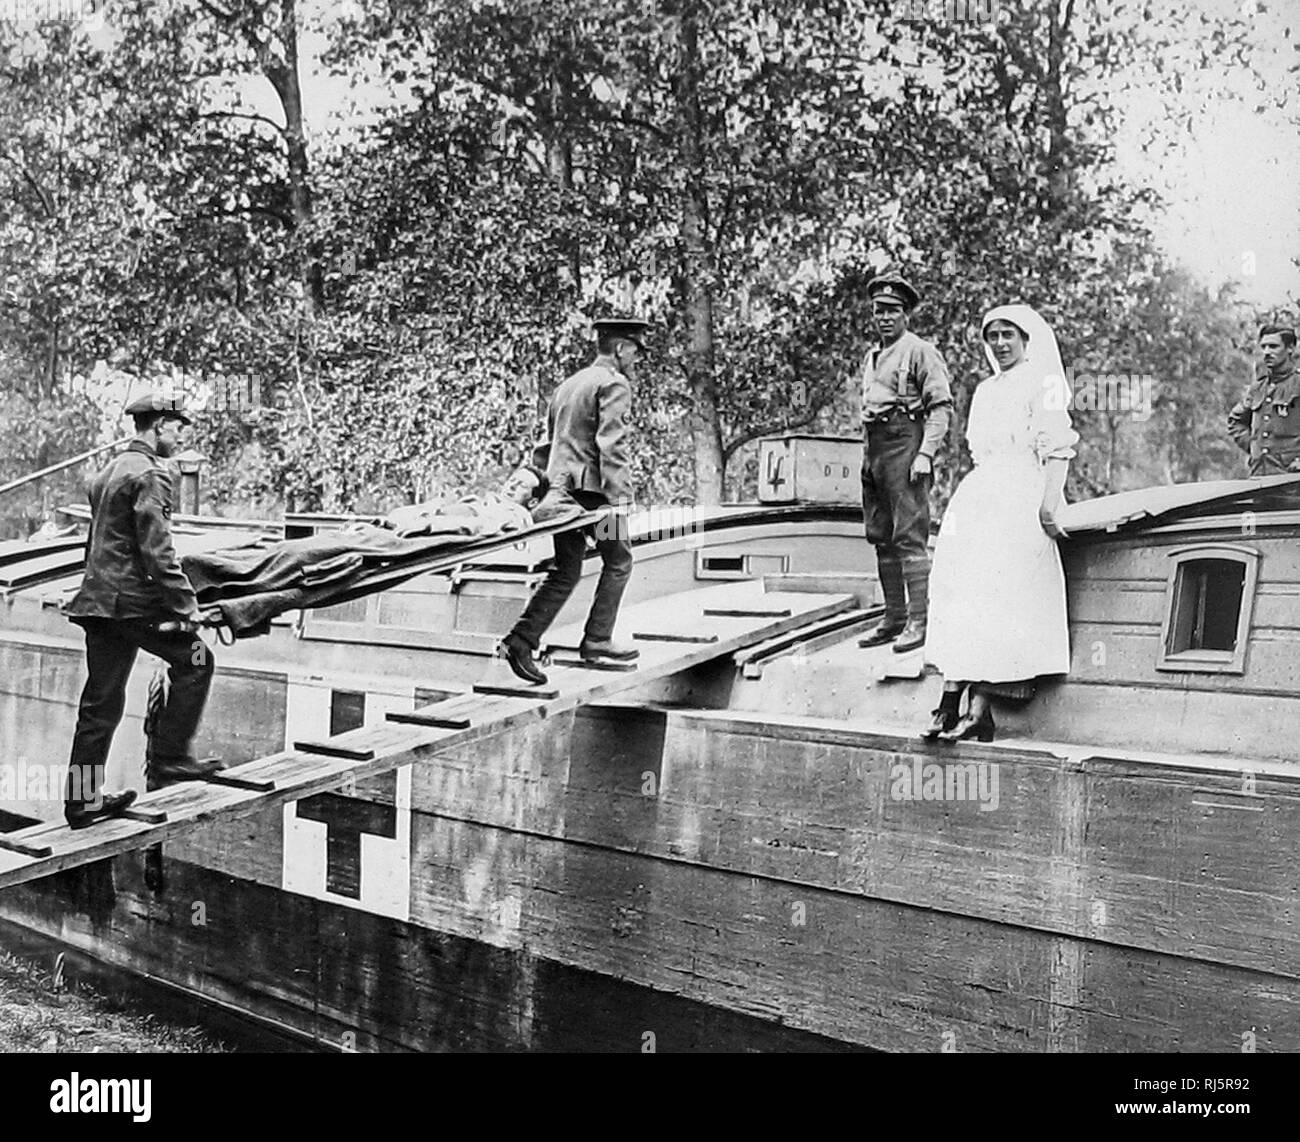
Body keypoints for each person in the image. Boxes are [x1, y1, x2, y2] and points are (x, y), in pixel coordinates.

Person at [63, 390, 222, 829]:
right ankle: (171, 759)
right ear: (159, 426)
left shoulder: (108, 471)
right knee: (197, 659)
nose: (179, 437)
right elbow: (157, 551)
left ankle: (81, 802)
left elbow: (99, 545)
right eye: (177, 428)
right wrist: (186, 606)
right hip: (130, 605)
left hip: (97, 604)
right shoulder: (151, 473)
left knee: (99, 704)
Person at [922, 304, 1077, 743]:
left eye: (1009, 334)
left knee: (1001, 592)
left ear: (1027, 339)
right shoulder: (986, 390)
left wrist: (1049, 504)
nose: (1001, 343)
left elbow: (1058, 447)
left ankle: (980, 708)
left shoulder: (1043, 382)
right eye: (993, 336)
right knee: (961, 586)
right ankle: (949, 700)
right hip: (983, 492)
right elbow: (979, 452)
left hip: (1022, 494)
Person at [498, 317, 650, 685]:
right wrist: (621, 499)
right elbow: (612, 445)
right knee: (620, 560)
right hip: (596, 499)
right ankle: (597, 641)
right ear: (620, 348)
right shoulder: (614, 383)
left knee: (566, 570)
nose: (637, 359)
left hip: (562, 495)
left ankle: (520, 641)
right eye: (635, 351)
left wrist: (545, 488)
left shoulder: (568, 385)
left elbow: (547, 447)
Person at [856, 271, 954, 653]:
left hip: (905, 445)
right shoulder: (872, 357)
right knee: (880, 535)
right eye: (878, 310)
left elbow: (941, 407)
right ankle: (894, 616)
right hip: (875, 448)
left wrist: (925, 454)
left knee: (909, 536)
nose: (884, 317)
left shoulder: (919, 351)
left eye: (892, 310)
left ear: (906, 314)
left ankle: (919, 620)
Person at [382, 464, 551, 538]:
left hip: (440, 526)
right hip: (429, 518)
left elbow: (479, 525)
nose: (512, 486)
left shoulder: (516, 516)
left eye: (522, 485)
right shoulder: (486, 502)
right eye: (512, 480)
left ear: (533, 502)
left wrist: (432, 520)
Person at [1227, 325, 1300, 476]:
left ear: (1290, 348)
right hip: (1259, 474)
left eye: (1273, 346)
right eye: (1264, 347)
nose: (1267, 352)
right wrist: (1253, 447)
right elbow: (1235, 421)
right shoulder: (1258, 388)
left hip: (1292, 478)